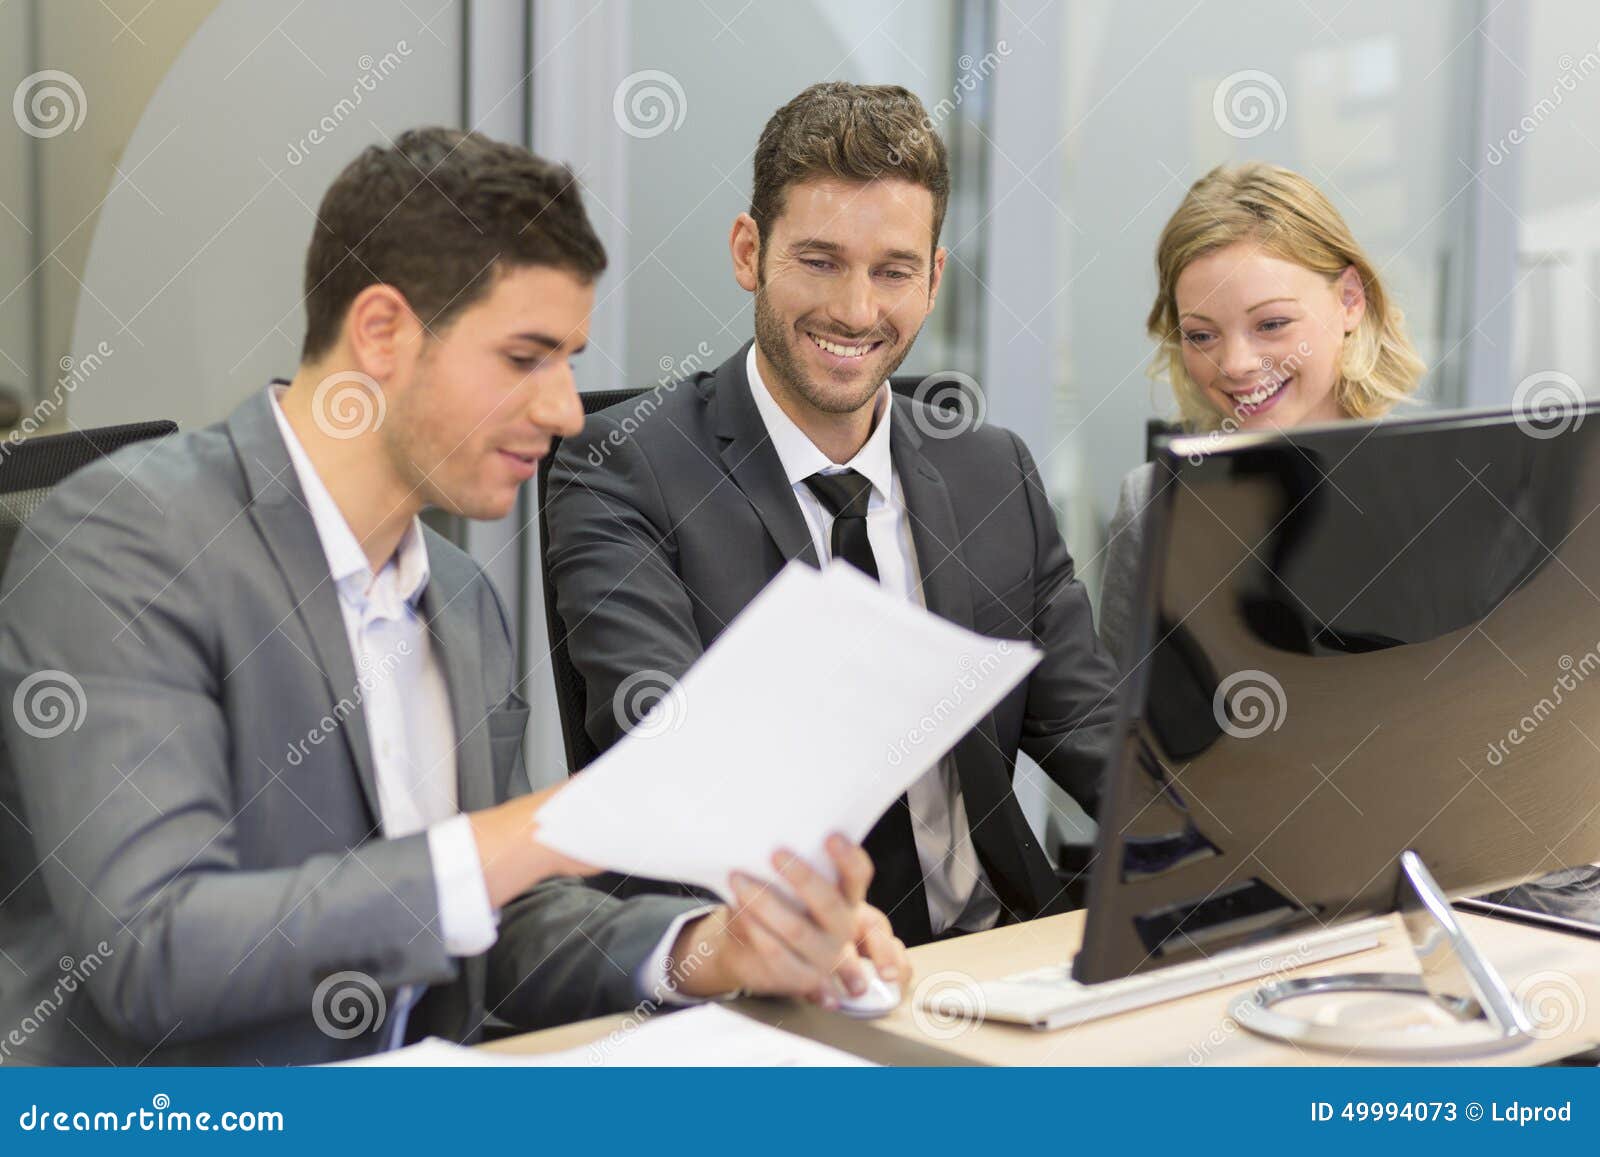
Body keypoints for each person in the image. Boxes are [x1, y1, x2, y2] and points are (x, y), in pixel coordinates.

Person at [0, 127, 905, 1067]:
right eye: (525, 357)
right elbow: (152, 950)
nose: (564, 411)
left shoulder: (461, 596)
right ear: (383, 332)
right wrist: (528, 833)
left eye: (569, 359)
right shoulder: (126, 538)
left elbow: (488, 925)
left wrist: (711, 948)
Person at [546, 83, 1121, 947]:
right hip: (755, 974)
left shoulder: (989, 470)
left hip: (992, 954)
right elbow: (666, 750)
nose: (855, 311)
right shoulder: (623, 470)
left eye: (892, 271)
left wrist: (1246, 846)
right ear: (749, 252)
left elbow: (1096, 734)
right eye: (819, 261)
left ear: (932, 278)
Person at [1098, 162, 1427, 671]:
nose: (1235, 365)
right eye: (1202, 335)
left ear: (1350, 301)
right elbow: (1121, 734)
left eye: (1271, 323)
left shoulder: (1444, 483)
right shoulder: (1152, 505)